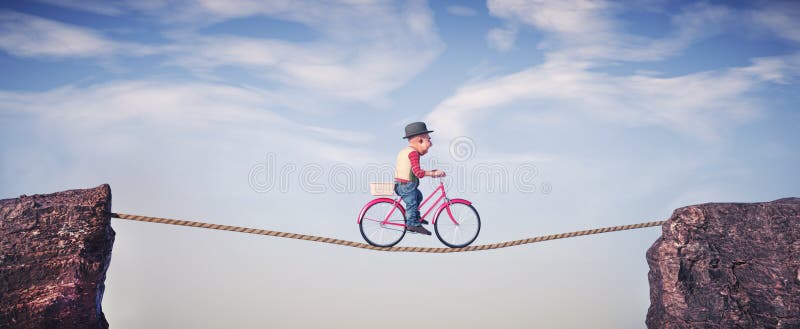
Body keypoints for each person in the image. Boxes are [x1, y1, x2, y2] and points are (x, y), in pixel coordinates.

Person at [394, 122, 446, 235]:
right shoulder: (413, 153)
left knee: (418, 196)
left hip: (401, 184)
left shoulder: (406, 151)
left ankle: (415, 217)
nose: (430, 144)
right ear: (420, 140)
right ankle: (412, 223)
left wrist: (432, 172)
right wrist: (433, 173)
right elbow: (418, 173)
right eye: (428, 140)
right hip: (406, 185)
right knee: (412, 202)